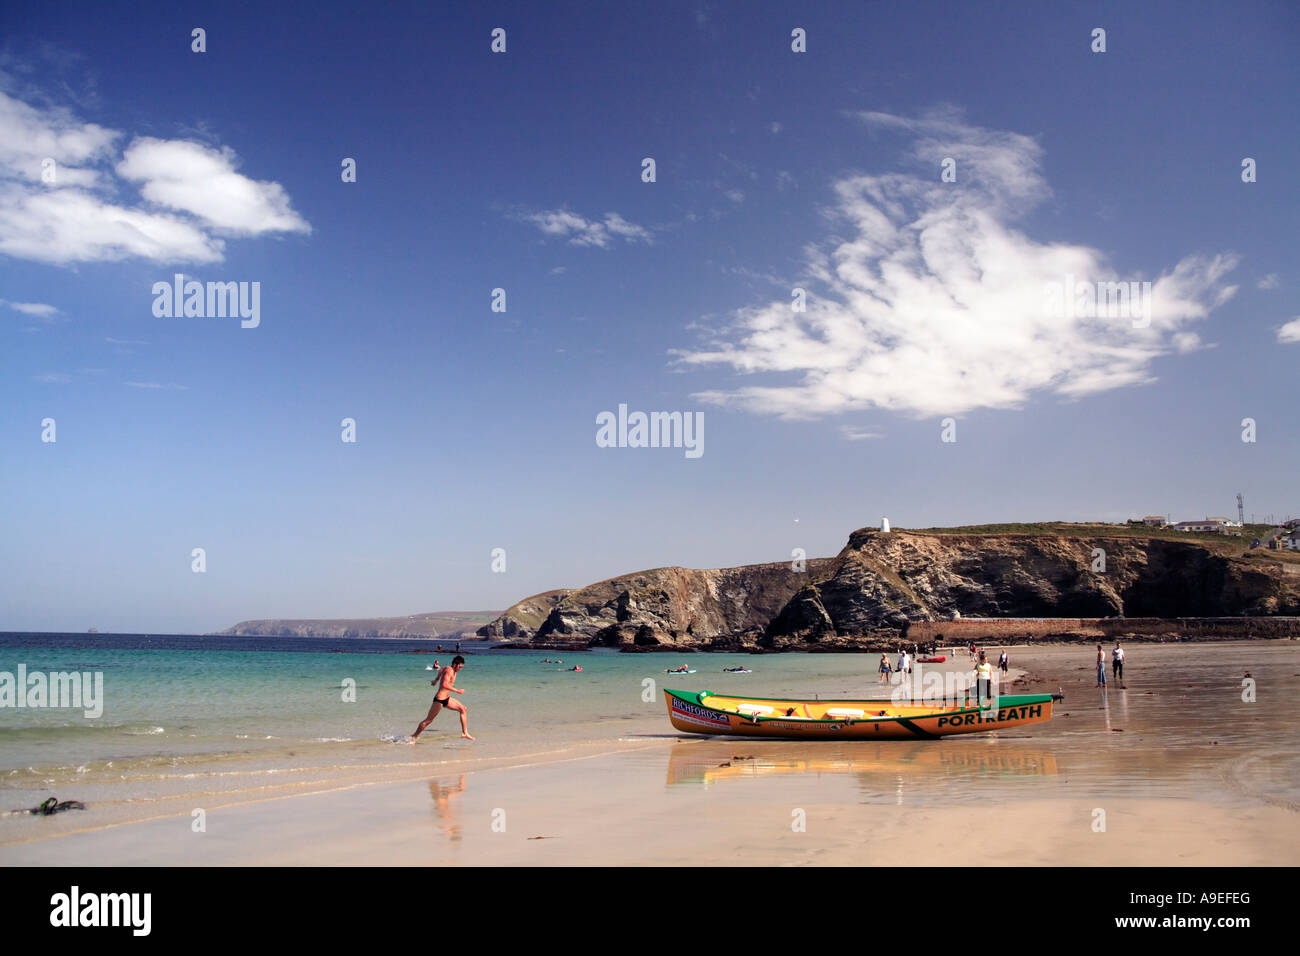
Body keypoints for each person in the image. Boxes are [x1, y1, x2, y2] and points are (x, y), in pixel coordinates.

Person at [411, 655, 473, 742]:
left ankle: (464, 733)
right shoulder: (449, 671)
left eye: (461, 667)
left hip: (447, 699)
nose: (460, 669)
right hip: (439, 700)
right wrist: (457, 690)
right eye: (459, 667)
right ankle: (414, 736)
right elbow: (444, 684)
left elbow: (441, 670)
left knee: (463, 709)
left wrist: (436, 680)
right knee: (428, 721)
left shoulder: (446, 668)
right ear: (455, 664)